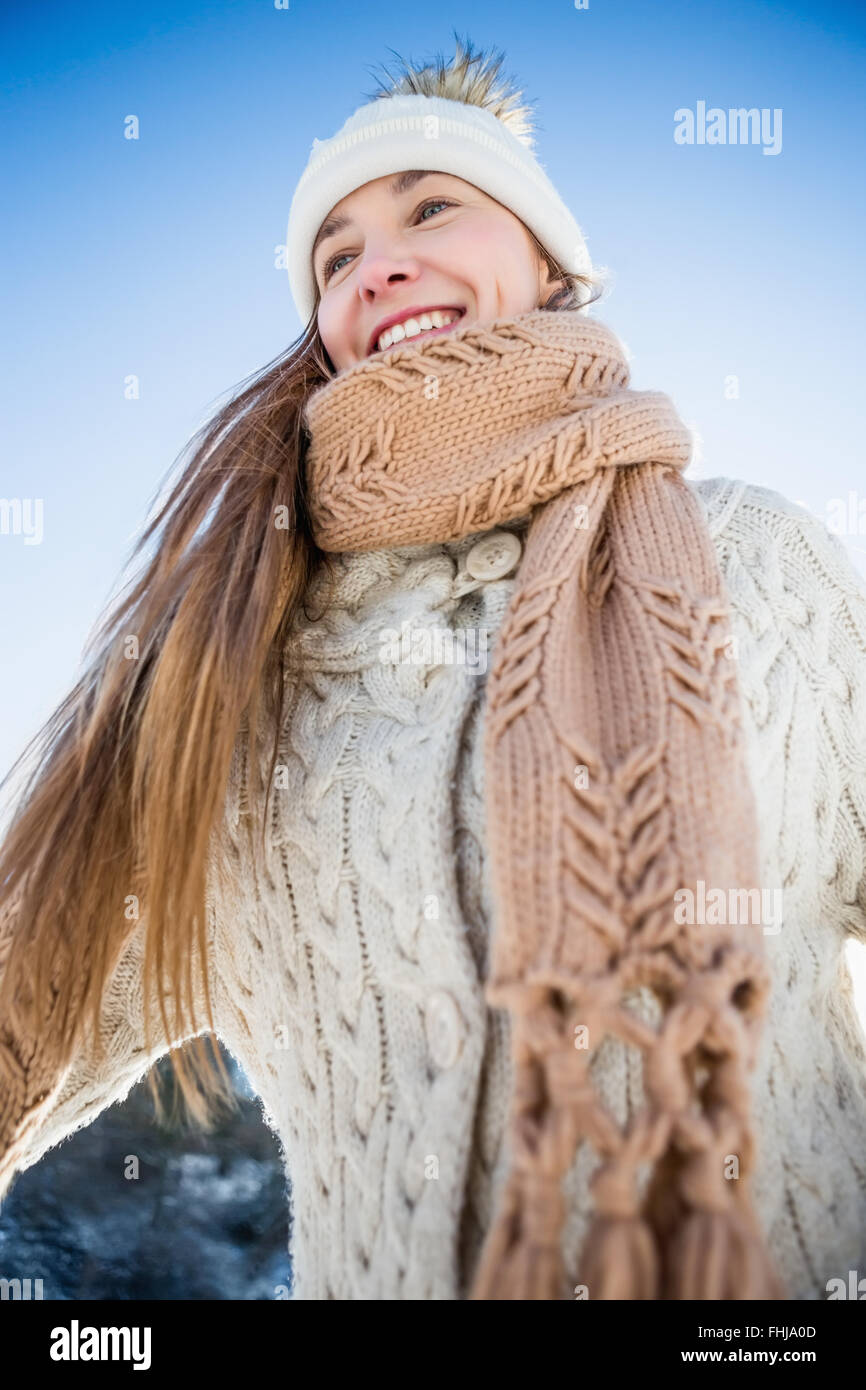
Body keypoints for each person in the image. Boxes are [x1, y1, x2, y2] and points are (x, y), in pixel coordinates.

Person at [1, 33, 865, 1302]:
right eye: (336, 255)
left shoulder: (767, 563)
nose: (377, 263)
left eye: (432, 204)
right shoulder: (225, 679)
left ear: (552, 262)